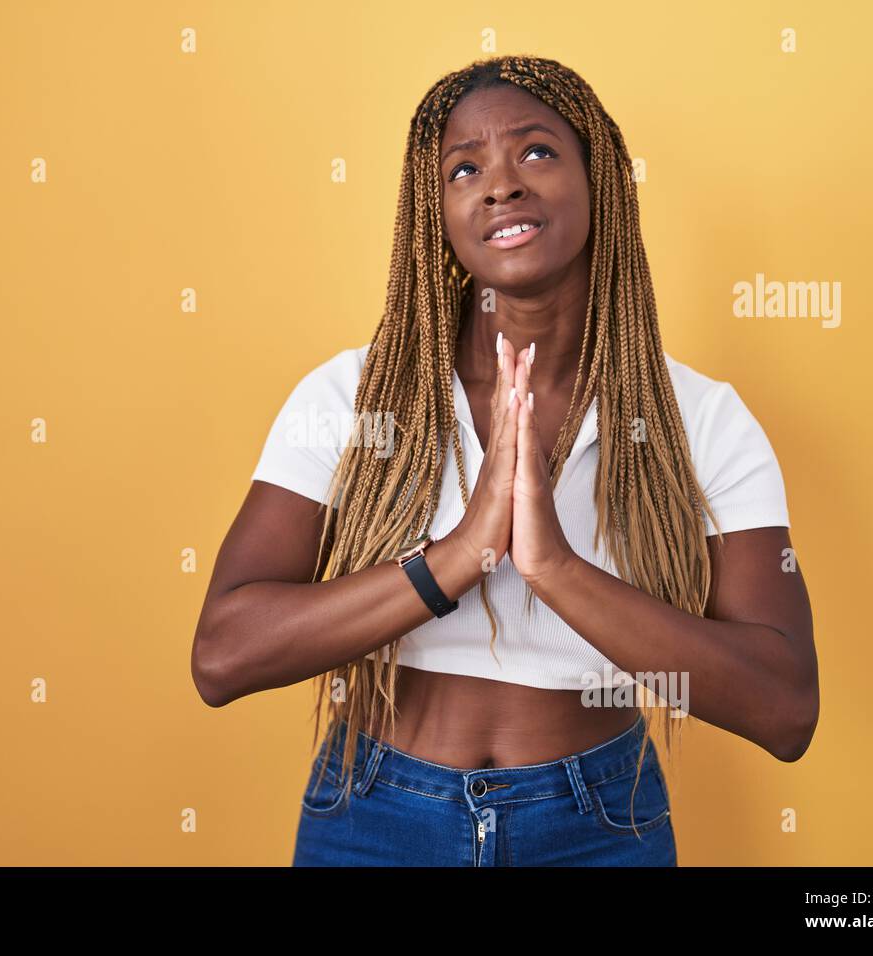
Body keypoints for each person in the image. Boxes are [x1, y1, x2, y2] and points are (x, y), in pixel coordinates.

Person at [190, 54, 817, 866]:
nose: (501, 184)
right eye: (464, 168)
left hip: (595, 829)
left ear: (602, 184)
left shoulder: (703, 421)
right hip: (375, 820)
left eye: (537, 152)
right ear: (438, 215)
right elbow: (222, 655)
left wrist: (554, 567)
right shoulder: (349, 398)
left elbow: (785, 705)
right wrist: (453, 560)